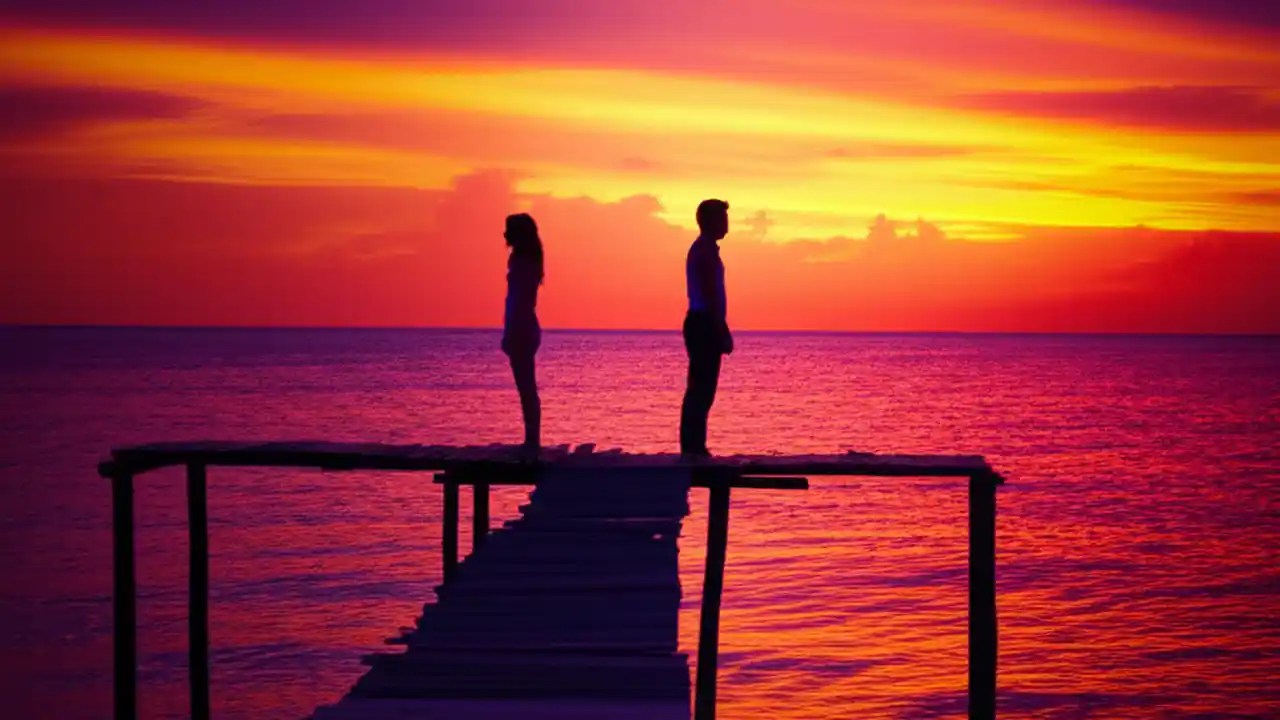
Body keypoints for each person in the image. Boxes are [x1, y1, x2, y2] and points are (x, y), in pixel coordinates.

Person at [680, 199, 733, 457]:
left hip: (704, 321)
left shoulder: (706, 250)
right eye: (722, 218)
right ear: (710, 221)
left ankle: (694, 446)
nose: (726, 224)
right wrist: (720, 329)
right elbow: (710, 293)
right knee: (701, 388)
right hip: (703, 322)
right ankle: (693, 448)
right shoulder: (704, 252)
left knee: (702, 388)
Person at [501, 213, 543, 451]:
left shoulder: (524, 262)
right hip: (524, 326)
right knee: (526, 387)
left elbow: (517, 301)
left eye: (509, 229)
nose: (505, 234)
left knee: (526, 387)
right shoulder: (525, 260)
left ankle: (532, 440)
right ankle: (531, 438)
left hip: (522, 328)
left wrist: (510, 332)